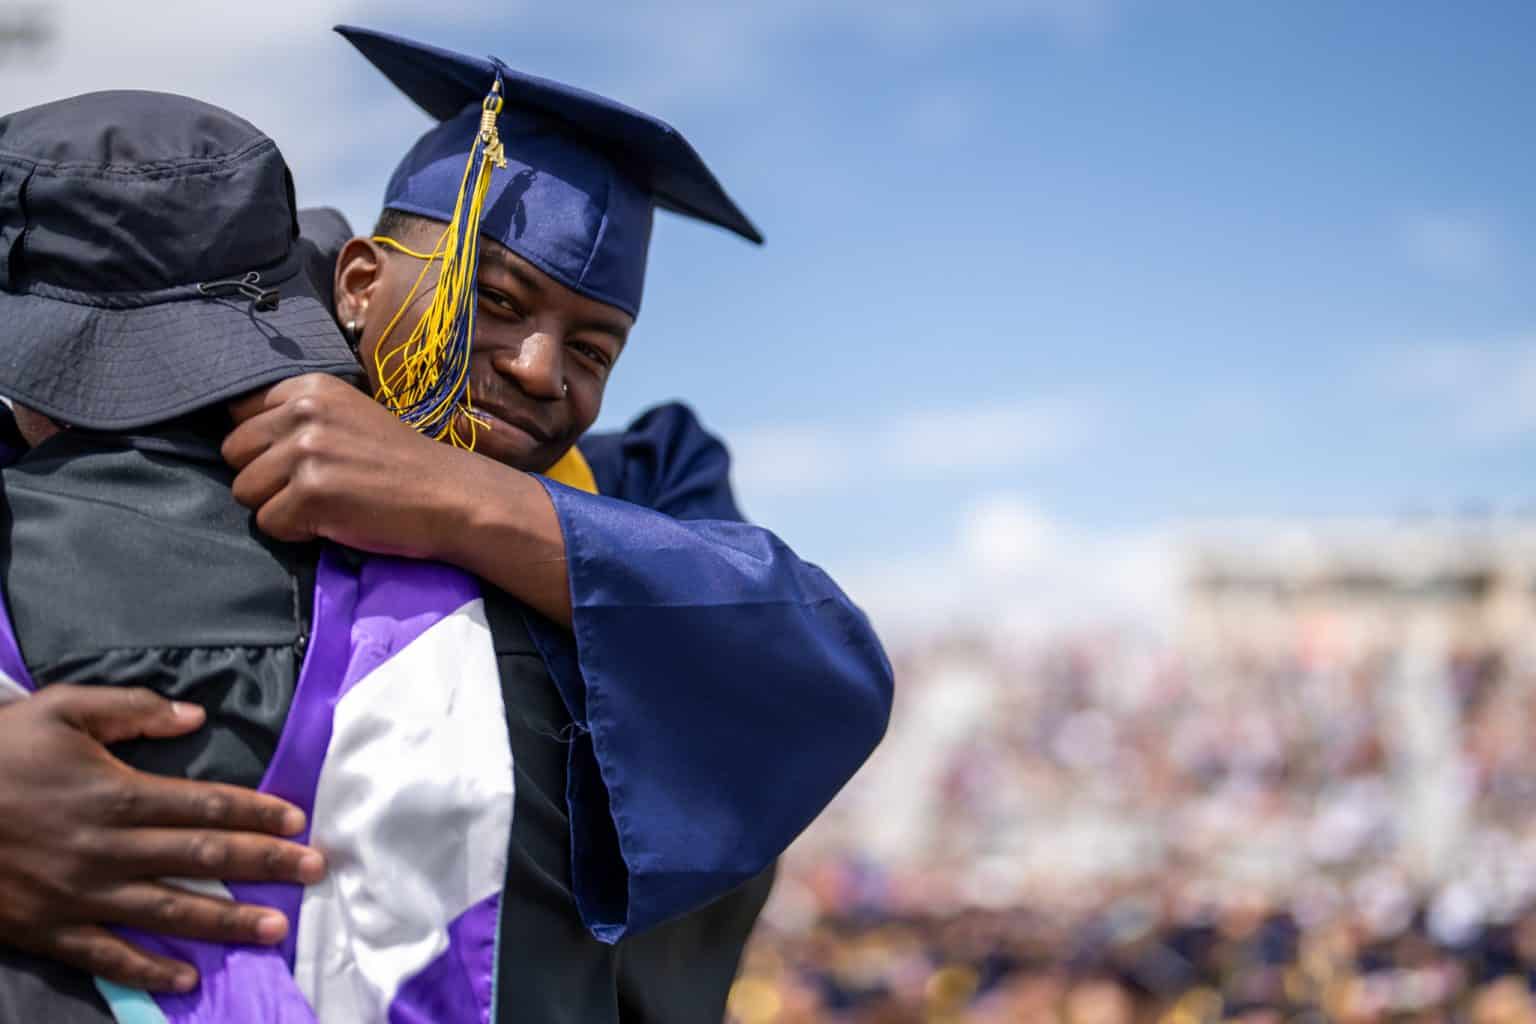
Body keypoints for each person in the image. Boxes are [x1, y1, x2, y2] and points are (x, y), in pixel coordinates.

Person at [0, 27, 894, 1023]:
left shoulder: (639, 482)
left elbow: (810, 662)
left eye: (595, 349)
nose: (540, 368)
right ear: (356, 284)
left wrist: (458, 501)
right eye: (496, 299)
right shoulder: (195, 387)